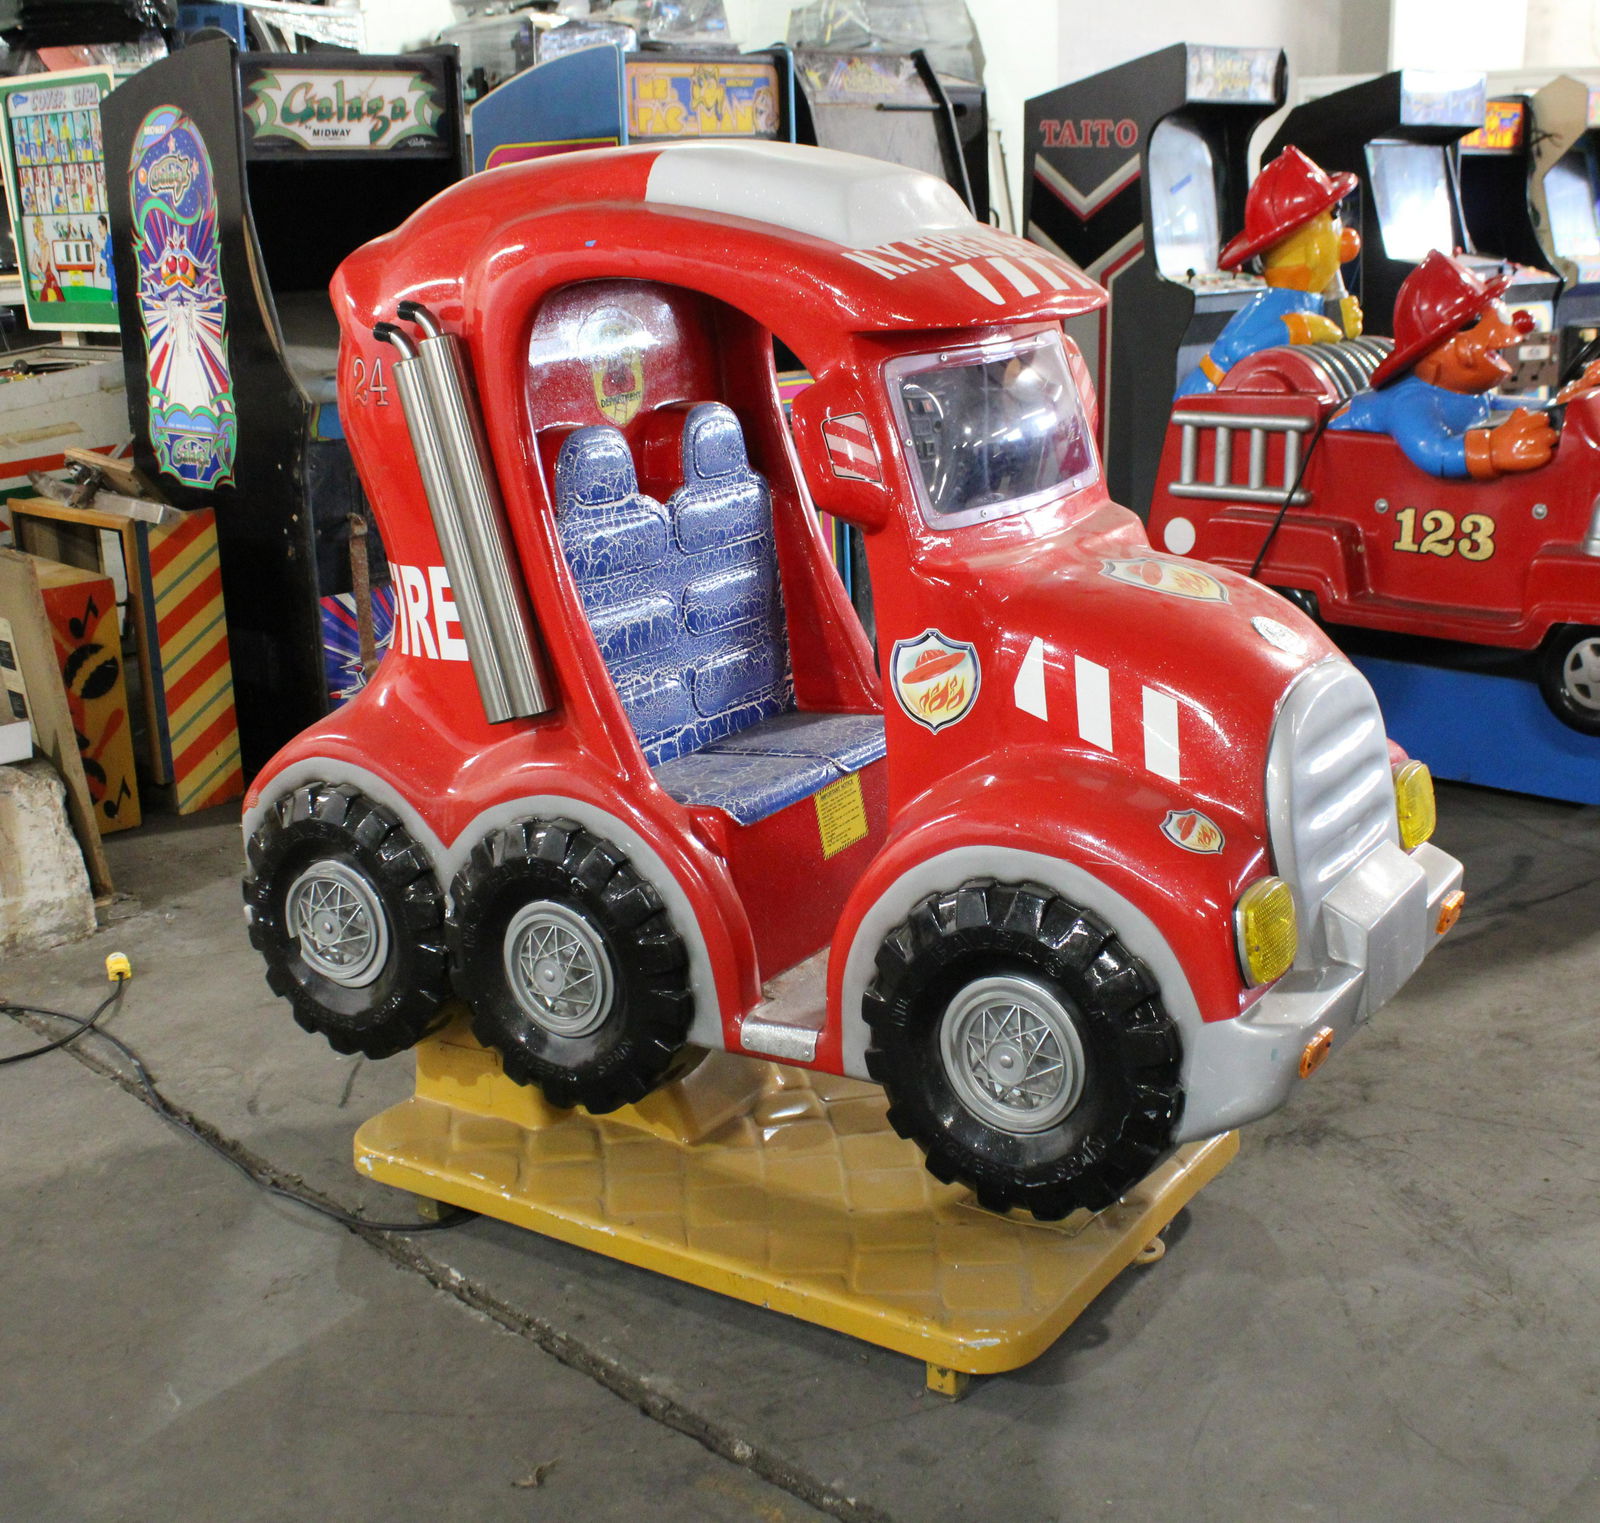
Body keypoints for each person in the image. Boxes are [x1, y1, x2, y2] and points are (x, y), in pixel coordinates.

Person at [1329, 250, 1600, 479]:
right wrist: (1493, 449)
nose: (1517, 323)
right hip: (1344, 476)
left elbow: (1510, 411)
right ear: (1433, 351)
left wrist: (1567, 402)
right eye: (1474, 323)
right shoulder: (1410, 402)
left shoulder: (1468, 395)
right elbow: (1434, 450)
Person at [1175, 145, 1364, 397]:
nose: (1346, 235)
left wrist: (1335, 313)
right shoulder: (1277, 306)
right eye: (1334, 216)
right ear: (1312, 250)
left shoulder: (1304, 302)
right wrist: (1298, 328)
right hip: (1204, 399)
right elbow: (1238, 347)